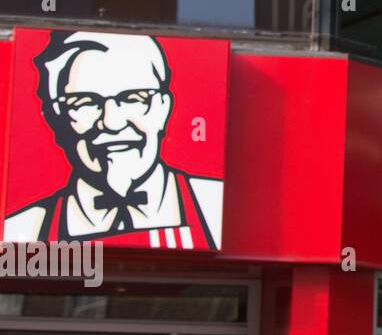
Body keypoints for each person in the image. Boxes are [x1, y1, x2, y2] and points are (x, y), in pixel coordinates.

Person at [3, 31, 222, 249]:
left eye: (133, 98)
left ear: (164, 108)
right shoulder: (25, 227)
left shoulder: (212, 205)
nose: (112, 122)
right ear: (56, 117)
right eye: (85, 102)